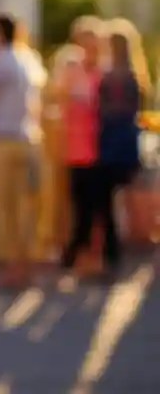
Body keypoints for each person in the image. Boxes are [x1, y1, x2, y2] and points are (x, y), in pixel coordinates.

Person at [73, 19, 150, 277]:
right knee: (124, 202)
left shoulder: (109, 78)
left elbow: (104, 111)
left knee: (103, 205)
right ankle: (119, 257)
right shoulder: (134, 77)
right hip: (128, 144)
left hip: (108, 145)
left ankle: (108, 258)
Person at [0, 13, 42, 288]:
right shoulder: (28, 60)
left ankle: (8, 267)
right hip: (28, 138)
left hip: (2, 140)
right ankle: (24, 263)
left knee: (0, 207)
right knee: (25, 205)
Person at [48, 17, 104, 269]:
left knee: (94, 205)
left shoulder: (103, 72)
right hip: (73, 147)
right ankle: (72, 251)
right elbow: (58, 99)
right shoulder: (71, 68)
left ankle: (89, 254)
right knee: (74, 202)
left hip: (98, 147)